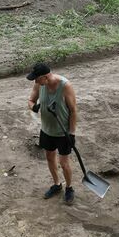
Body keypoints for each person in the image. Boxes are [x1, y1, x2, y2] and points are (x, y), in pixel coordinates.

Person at [27, 62, 78, 205]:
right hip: (47, 130)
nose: (35, 82)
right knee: (50, 158)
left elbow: (73, 110)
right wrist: (34, 107)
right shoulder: (39, 85)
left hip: (63, 133)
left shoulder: (65, 86)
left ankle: (69, 188)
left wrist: (72, 133)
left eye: (36, 78)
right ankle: (57, 184)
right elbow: (30, 100)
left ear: (45, 77)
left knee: (64, 162)